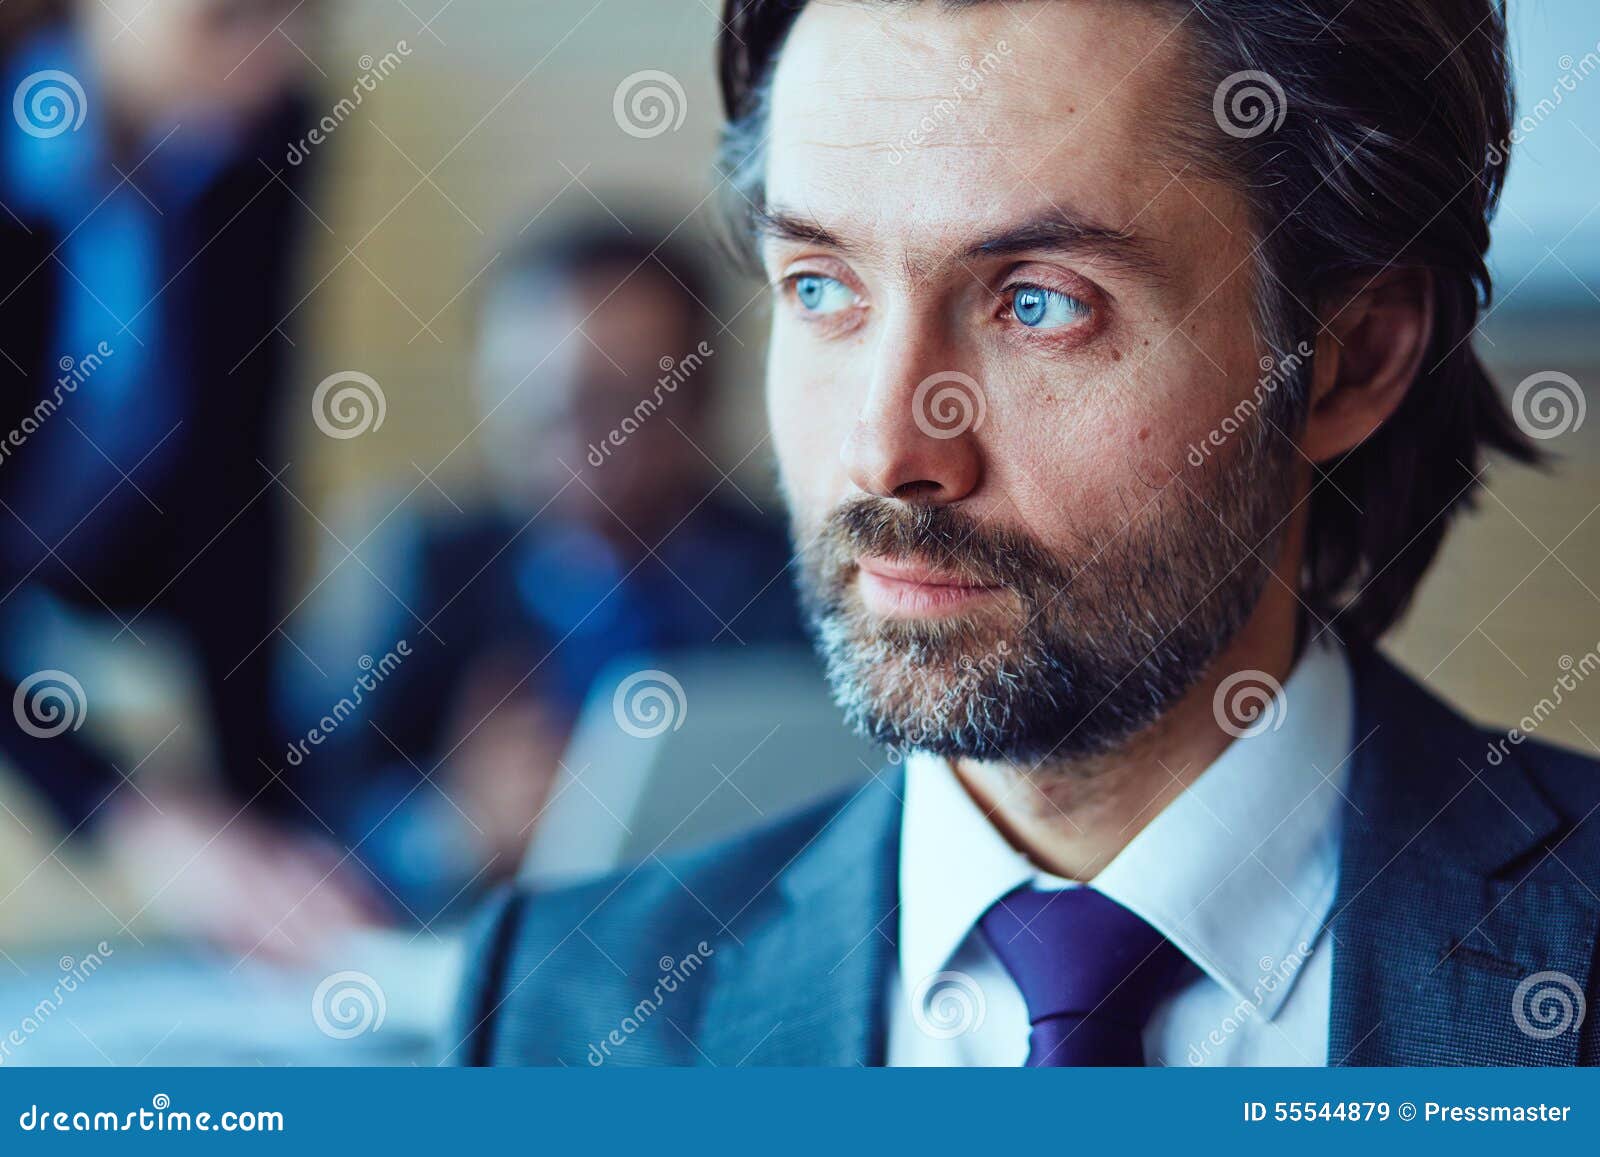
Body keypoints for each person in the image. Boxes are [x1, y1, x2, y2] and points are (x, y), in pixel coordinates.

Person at [450, 0, 1600, 1066]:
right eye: (818, 288)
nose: (885, 448)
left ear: (1348, 359)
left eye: (1039, 301)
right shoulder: (558, 1008)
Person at [0, 0, 378, 955]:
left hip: (95, 597)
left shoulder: (267, 128)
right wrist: (131, 813)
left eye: (306, 18)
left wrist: (266, 816)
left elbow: (237, 479)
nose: (274, 62)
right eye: (232, 19)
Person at [302, 222, 805, 918]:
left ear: (699, 393)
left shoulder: (795, 568)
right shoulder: (428, 565)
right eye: (535, 401)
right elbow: (308, 810)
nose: (576, 442)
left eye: (617, 401)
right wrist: (451, 831)